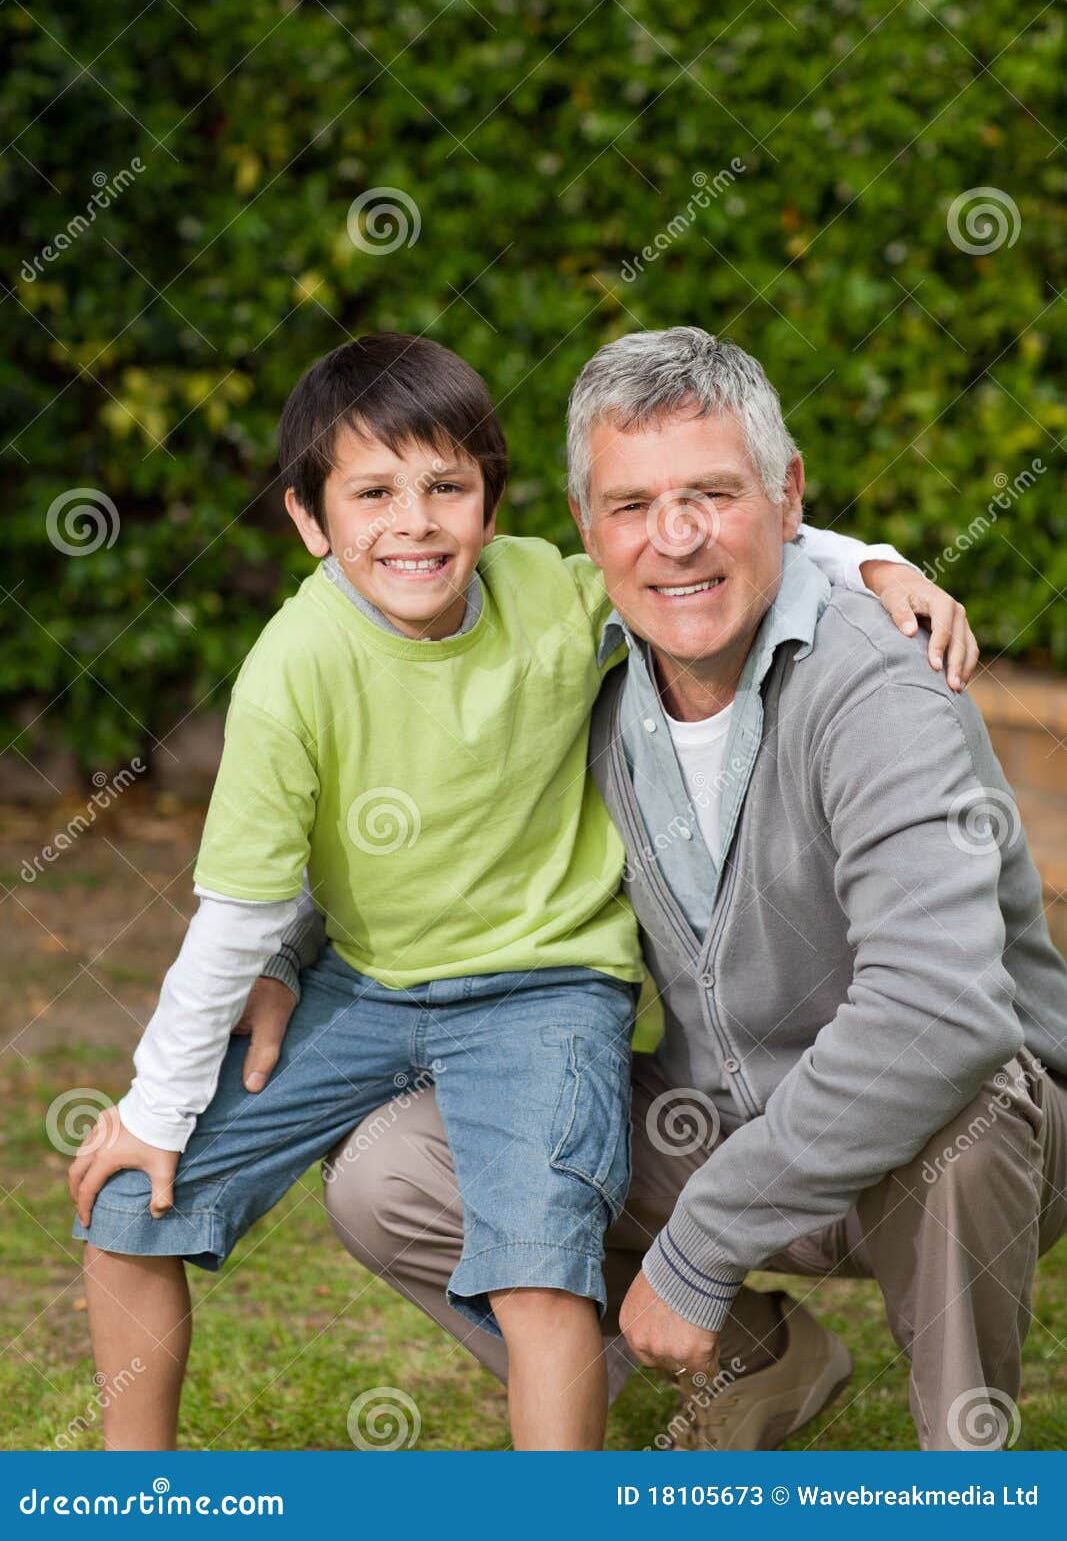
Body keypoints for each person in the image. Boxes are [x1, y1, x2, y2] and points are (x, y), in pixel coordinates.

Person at [69, 331, 969, 1452]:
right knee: (127, 1203)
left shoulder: (548, 593)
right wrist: (157, 1108)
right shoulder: (289, 670)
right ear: (309, 520)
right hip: (367, 982)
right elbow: (240, 911)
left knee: (535, 1262)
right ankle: (136, 1493)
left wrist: (871, 561)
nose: (414, 522)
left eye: (446, 487)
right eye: (372, 494)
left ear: (492, 507)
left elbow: (704, 547)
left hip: (544, 989)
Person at [309, 328, 1066, 1452]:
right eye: (632, 505)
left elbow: (944, 1012)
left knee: (963, 1101)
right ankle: (759, 1362)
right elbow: (369, 750)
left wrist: (701, 1243)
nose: (674, 538)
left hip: (961, 1143)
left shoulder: (877, 681)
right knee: (390, 1170)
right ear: (584, 526)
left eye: (713, 493)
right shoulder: (577, 670)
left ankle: (962, 1479)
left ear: (786, 495)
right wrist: (263, 969)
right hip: (709, 1116)